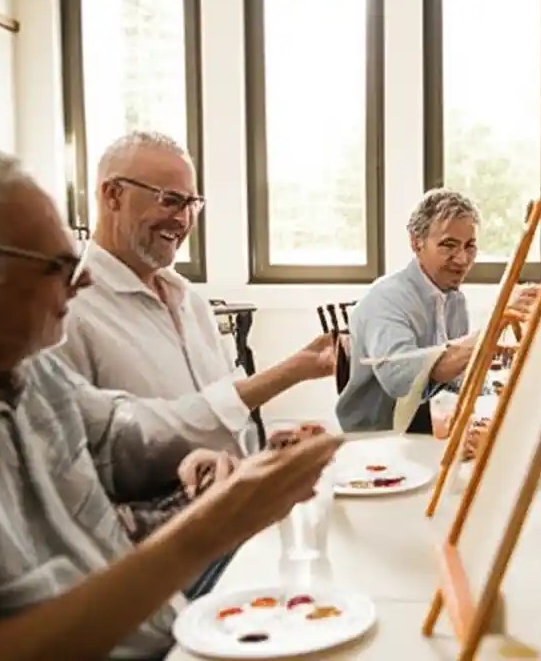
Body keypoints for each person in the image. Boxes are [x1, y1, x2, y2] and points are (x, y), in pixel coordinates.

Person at [0, 145, 342, 660]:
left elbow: (120, 431)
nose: (84, 279)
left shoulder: (27, 368)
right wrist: (204, 530)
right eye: (57, 265)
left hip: (166, 631)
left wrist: (196, 462)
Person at [57, 131, 335, 455]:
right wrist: (290, 371)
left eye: (192, 204)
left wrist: (269, 454)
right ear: (113, 195)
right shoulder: (68, 313)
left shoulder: (192, 302)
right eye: (170, 200)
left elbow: (226, 425)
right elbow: (89, 460)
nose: (184, 219)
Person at [336, 189, 482, 433]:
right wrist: (491, 332)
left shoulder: (455, 300)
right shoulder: (386, 298)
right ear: (416, 242)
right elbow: (401, 381)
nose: (463, 259)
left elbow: (453, 382)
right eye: (449, 245)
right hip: (380, 438)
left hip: (428, 428)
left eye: (470, 246)